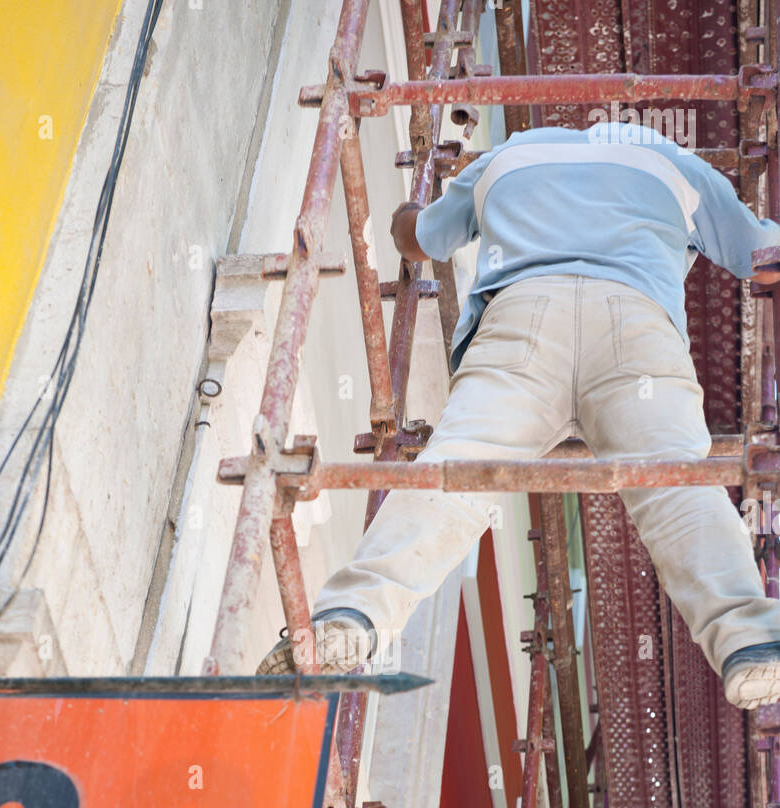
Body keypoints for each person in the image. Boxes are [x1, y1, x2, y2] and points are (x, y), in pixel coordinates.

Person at [258, 120, 780, 709]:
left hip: (523, 321)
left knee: (456, 471)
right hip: (636, 331)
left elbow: (418, 241)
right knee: (677, 484)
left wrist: (406, 212)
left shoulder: (509, 157)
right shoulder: (671, 161)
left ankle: (351, 617)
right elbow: (763, 256)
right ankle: (749, 638)